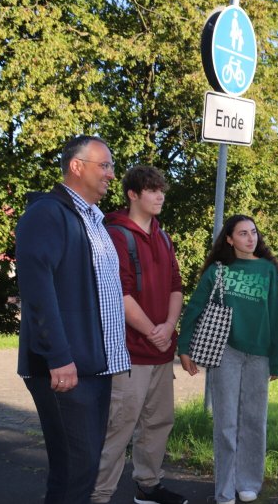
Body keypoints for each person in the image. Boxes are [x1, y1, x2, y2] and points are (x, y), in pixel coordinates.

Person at [15, 135, 131, 503]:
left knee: (80, 471)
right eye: (105, 165)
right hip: (66, 369)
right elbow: (37, 290)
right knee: (74, 474)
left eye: (111, 166)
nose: (112, 174)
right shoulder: (47, 213)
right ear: (76, 166)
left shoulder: (93, 219)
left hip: (95, 368)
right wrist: (58, 357)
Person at [91, 166, 186, 504]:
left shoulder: (162, 235)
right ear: (133, 194)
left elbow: (176, 286)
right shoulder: (116, 234)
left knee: (159, 422)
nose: (160, 195)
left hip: (161, 351)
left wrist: (168, 328)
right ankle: (97, 495)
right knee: (119, 426)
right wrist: (152, 331)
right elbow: (119, 292)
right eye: (152, 190)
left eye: (162, 189)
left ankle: (148, 485)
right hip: (130, 352)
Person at [178, 215, 278, 504]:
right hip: (225, 352)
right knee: (225, 423)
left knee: (254, 420)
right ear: (229, 239)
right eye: (243, 233)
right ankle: (224, 489)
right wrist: (184, 347)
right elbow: (194, 309)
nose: (251, 238)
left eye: (253, 232)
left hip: (260, 355)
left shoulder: (267, 270)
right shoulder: (218, 271)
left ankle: (248, 481)